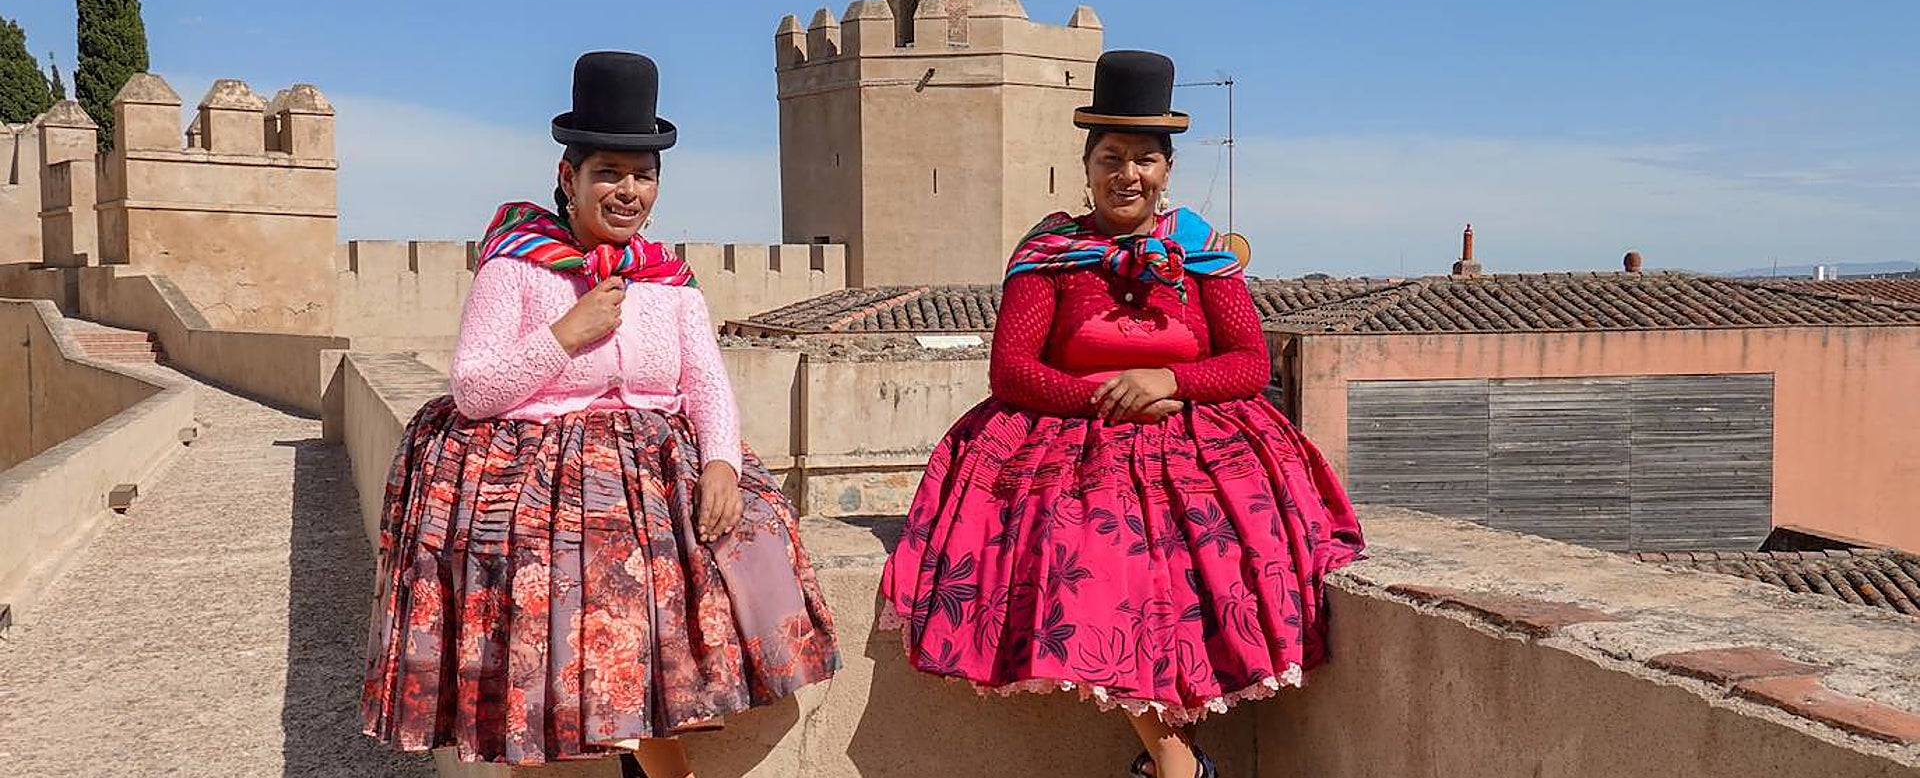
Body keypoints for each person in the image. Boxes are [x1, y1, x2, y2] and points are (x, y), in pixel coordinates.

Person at [879, 50, 1365, 778]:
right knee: (1099, 571)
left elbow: (1247, 364)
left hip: (1193, 440)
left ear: (1167, 170)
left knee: (1205, 571)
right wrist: (1109, 396)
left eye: (1144, 159)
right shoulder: (1050, 253)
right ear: (1086, 165)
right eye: (1111, 157)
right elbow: (1013, 371)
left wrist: (1169, 378)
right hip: (1074, 447)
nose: (1126, 174)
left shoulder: (1199, 254)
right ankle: (1176, 764)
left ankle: (1172, 762)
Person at [362, 51, 839, 773]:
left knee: (743, 540)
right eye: (609, 174)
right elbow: (475, 390)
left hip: (652, 469)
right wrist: (565, 336)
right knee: (570, 605)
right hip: (539, 472)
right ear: (568, 178)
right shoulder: (515, 267)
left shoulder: (668, 281)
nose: (628, 191)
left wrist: (718, 464)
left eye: (643, 175)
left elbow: (707, 383)